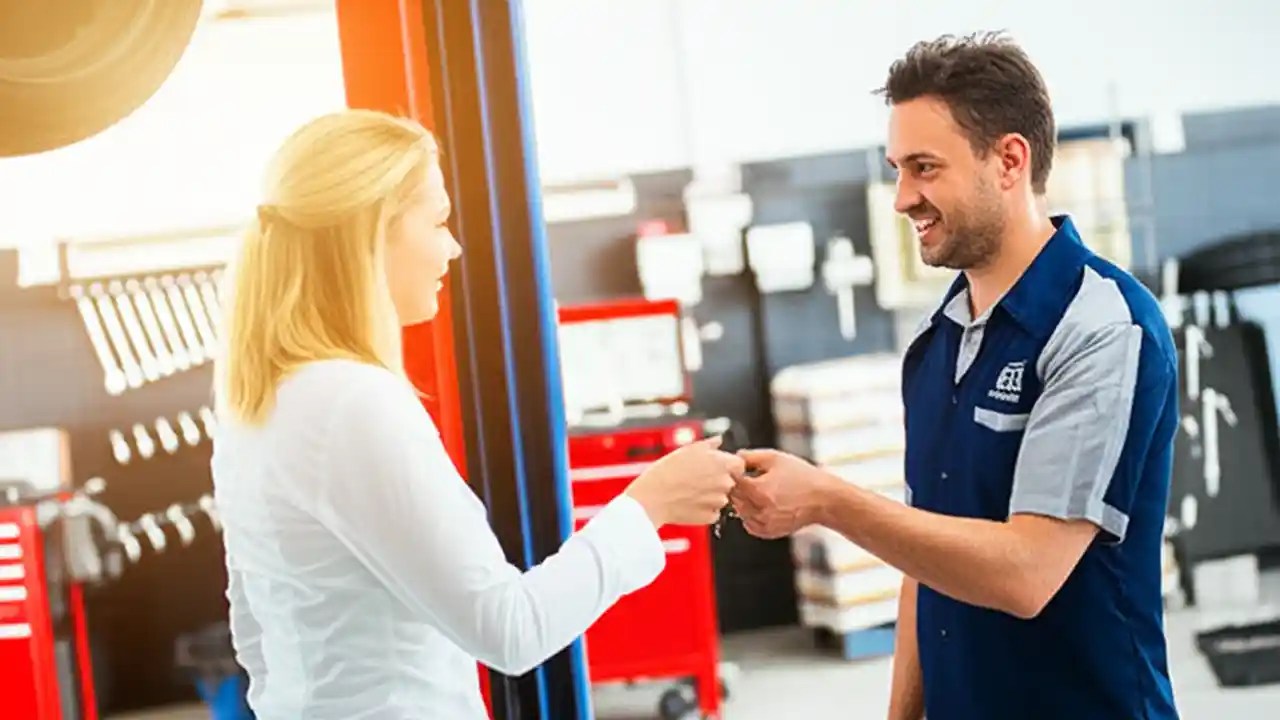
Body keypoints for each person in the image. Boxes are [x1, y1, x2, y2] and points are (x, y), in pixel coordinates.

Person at [210, 108, 744, 719]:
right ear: (373, 232)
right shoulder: (354, 403)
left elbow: (254, 633)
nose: (455, 245)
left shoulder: (257, 399)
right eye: (438, 221)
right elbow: (511, 630)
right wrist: (651, 505)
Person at [730, 32, 1180, 720]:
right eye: (897, 169)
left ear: (1008, 160)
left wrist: (827, 500)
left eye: (924, 168)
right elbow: (925, 554)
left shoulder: (1101, 328)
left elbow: (1028, 573)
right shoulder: (938, 340)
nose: (902, 198)